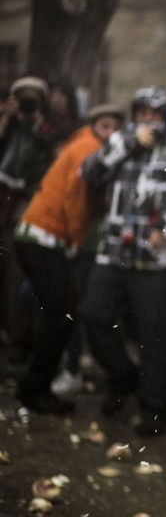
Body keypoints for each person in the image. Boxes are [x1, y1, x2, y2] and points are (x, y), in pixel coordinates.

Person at [78, 86, 166, 435]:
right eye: (142, 112)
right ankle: (122, 378)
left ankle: (154, 407)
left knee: (156, 336)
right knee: (94, 314)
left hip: (157, 259)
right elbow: (89, 172)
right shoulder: (122, 141)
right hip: (115, 252)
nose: (148, 118)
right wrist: (128, 142)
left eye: (155, 112)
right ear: (135, 114)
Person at [12, 103, 125, 413]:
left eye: (115, 127)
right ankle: (34, 389)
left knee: (61, 311)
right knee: (61, 314)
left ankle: (35, 385)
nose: (110, 133)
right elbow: (75, 200)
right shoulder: (87, 148)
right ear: (93, 127)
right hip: (42, 237)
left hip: (42, 238)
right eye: (104, 126)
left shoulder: (89, 146)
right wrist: (76, 242)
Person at [1, 76, 54, 364]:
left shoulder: (45, 130)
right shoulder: (10, 130)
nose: (27, 104)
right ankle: (14, 336)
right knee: (10, 280)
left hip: (31, 214)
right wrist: (7, 120)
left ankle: (27, 338)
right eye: (22, 98)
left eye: (32, 99)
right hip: (7, 214)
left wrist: (33, 124)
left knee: (25, 278)